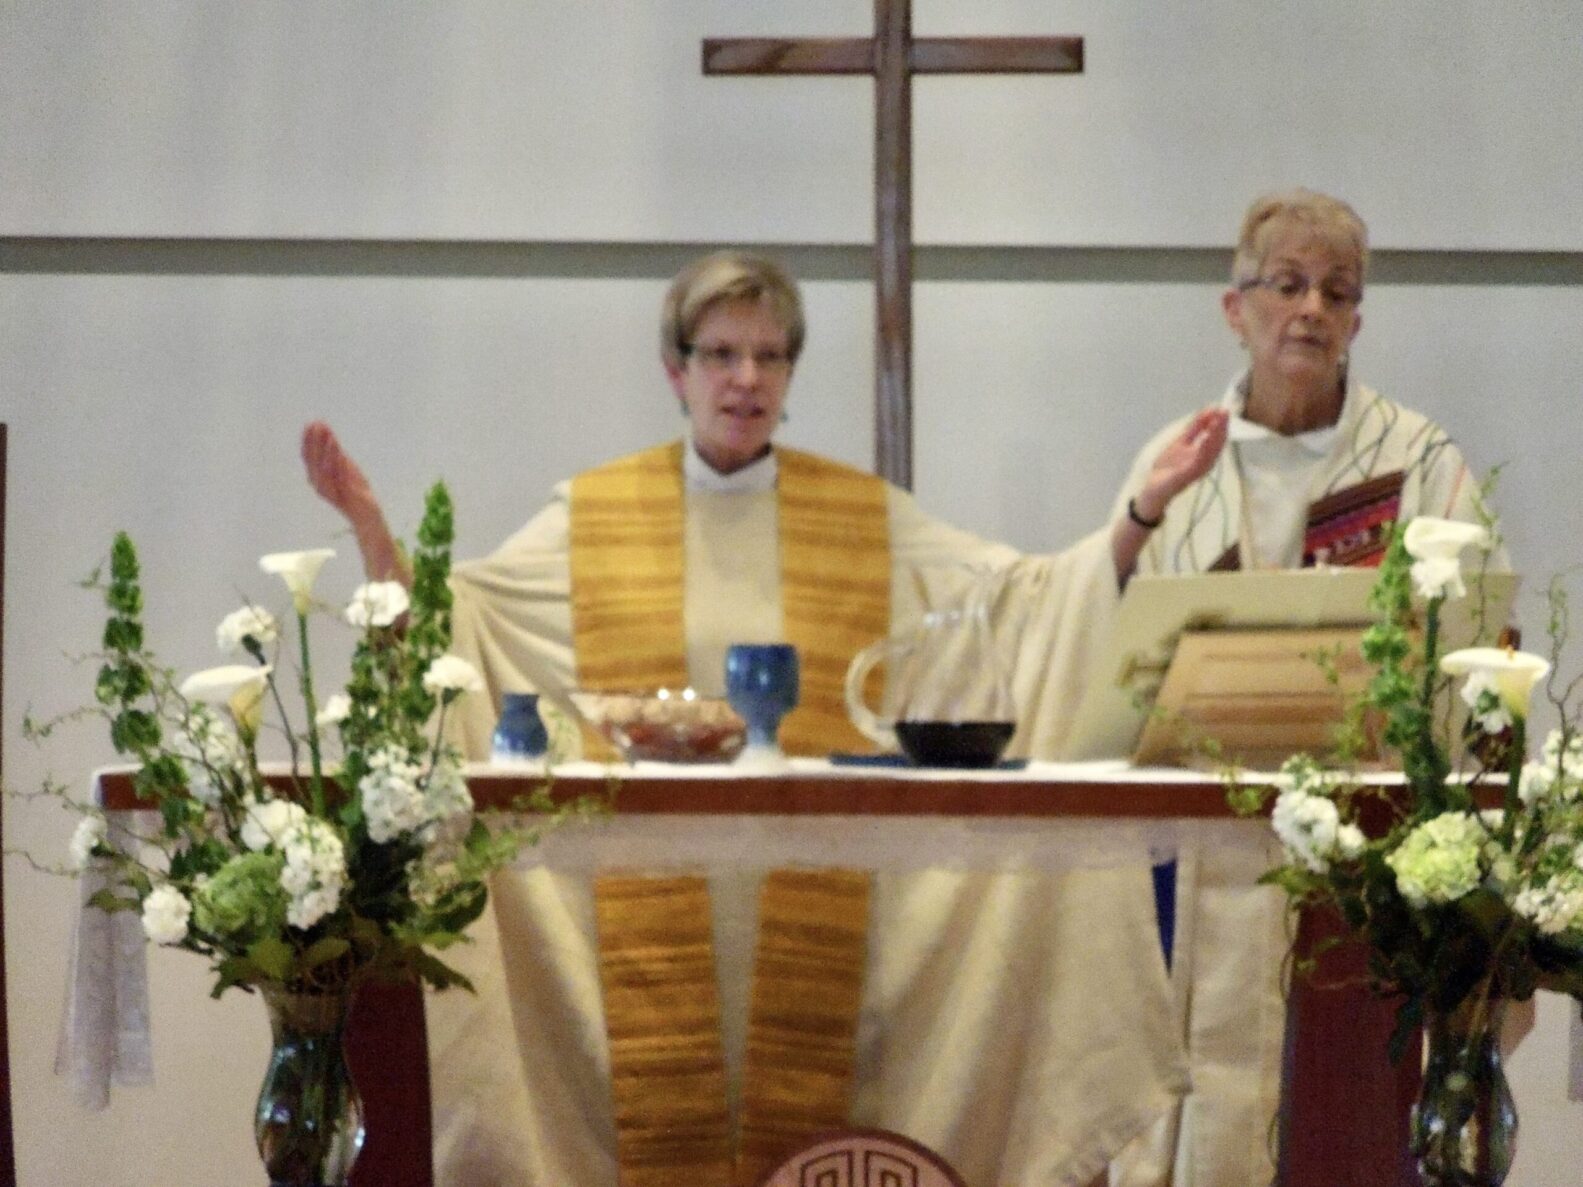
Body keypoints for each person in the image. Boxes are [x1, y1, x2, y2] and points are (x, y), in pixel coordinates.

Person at [303, 250, 1227, 1187]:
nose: (745, 379)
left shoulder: (859, 515)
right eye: (720, 354)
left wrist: (1140, 509)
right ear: (677, 369)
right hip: (640, 931)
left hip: (820, 920)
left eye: (768, 356)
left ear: (789, 373)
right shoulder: (594, 516)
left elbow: (1022, 599)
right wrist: (376, 537)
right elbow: (458, 620)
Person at [1104, 189, 1497, 1187]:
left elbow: (1473, 655)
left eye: (1335, 290)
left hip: (1361, 858)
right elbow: (1108, 649)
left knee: (1347, 1126)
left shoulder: (1419, 463)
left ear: (1356, 319)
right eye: (1285, 284)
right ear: (1234, 307)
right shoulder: (1170, 466)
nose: (1309, 310)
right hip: (1192, 855)